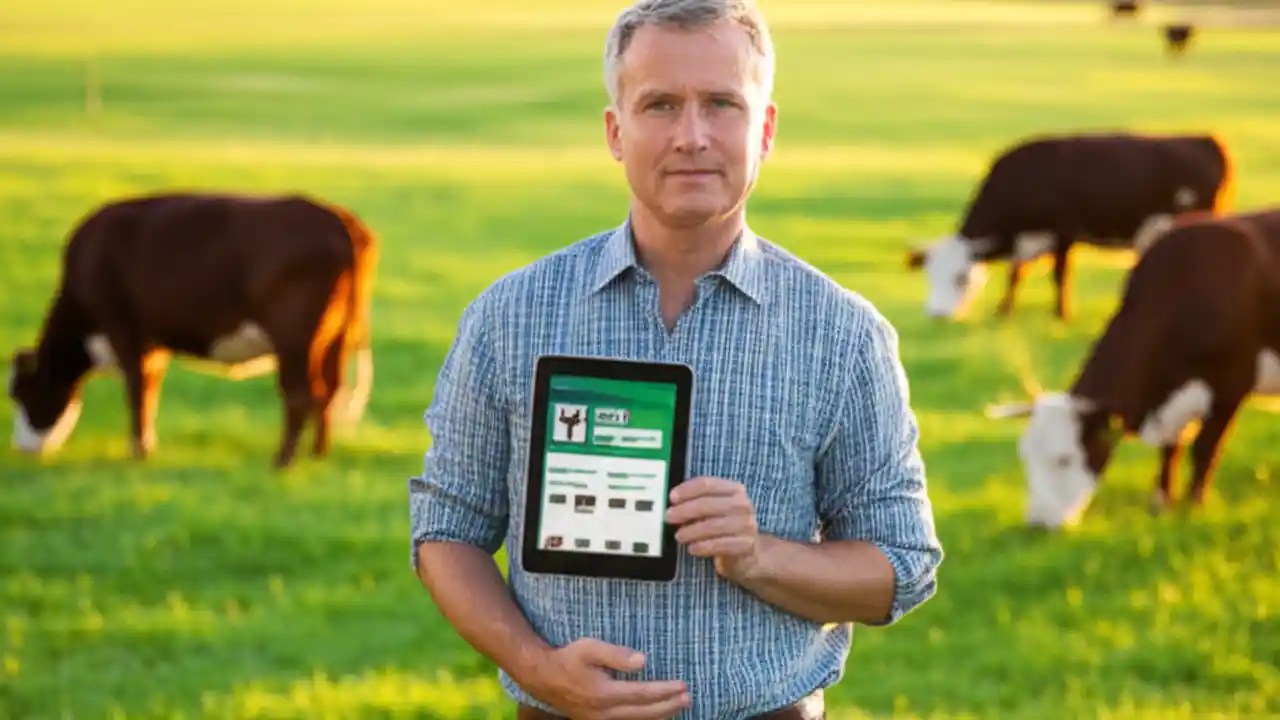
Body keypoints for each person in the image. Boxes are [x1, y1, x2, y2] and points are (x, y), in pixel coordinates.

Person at [407, 1, 944, 717]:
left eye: (722, 104)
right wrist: (539, 670)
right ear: (615, 130)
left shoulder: (843, 334)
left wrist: (758, 554)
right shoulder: (509, 317)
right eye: (660, 105)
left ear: (767, 128)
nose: (691, 136)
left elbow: (899, 569)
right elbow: (446, 533)